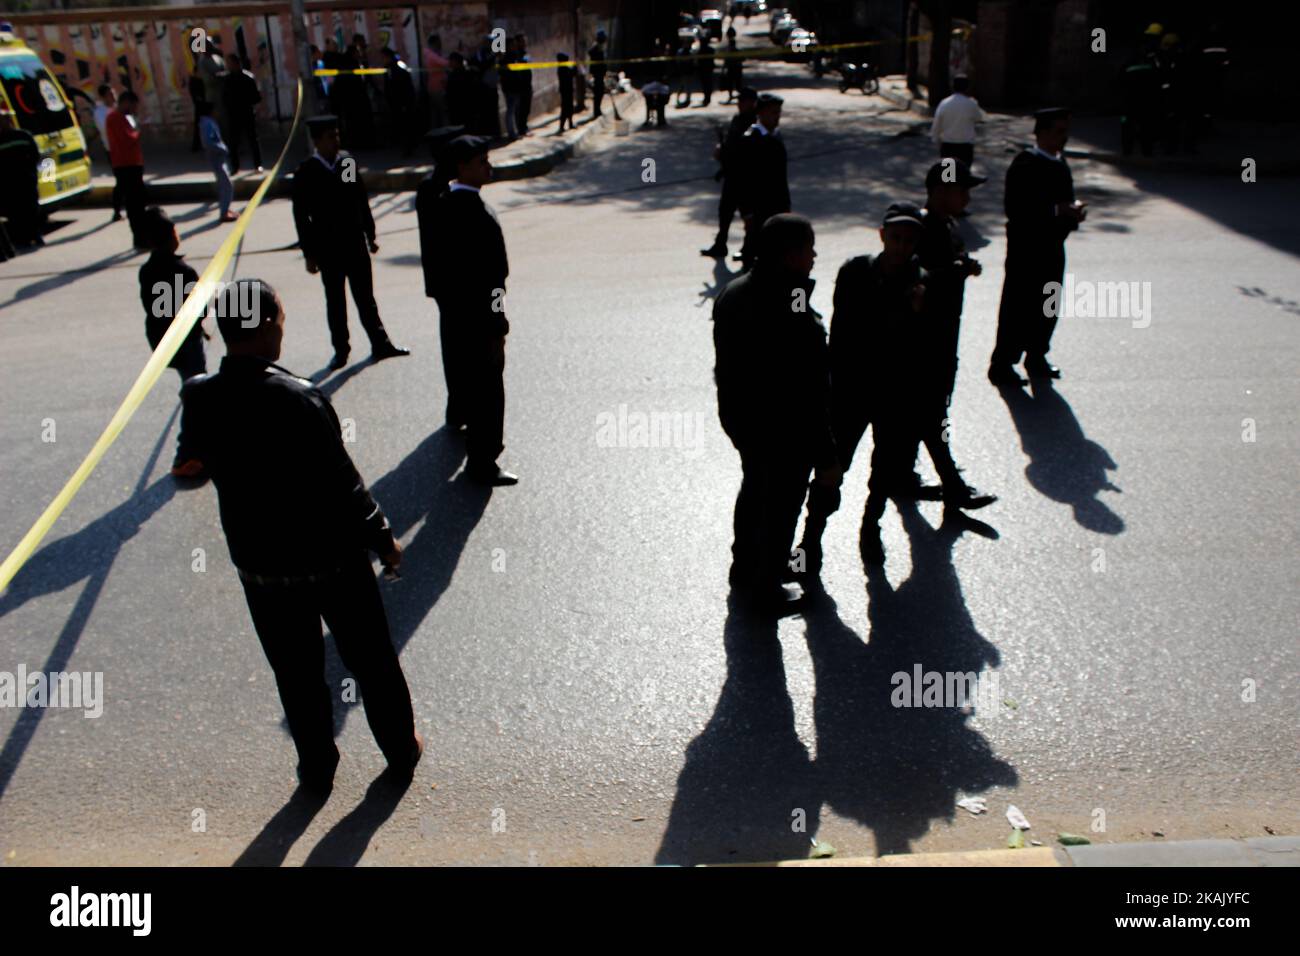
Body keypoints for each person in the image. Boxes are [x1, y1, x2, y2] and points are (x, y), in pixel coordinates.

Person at [180, 278, 422, 794]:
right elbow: (344, 483)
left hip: (261, 567)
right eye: (282, 321)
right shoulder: (300, 398)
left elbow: (193, 464)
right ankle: (400, 750)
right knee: (372, 662)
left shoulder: (199, 396)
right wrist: (383, 538)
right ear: (268, 325)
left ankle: (316, 767)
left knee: (295, 672)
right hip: (331, 561)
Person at [713, 214, 840, 613]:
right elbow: (808, 385)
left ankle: (745, 565)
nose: (815, 255)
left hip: (743, 419)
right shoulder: (790, 302)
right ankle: (766, 588)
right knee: (783, 504)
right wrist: (826, 451)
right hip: (785, 426)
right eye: (808, 247)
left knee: (754, 490)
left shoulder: (734, 292)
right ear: (789, 255)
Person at [797, 203, 930, 569]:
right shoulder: (855, 271)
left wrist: (919, 313)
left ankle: (871, 525)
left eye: (910, 240)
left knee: (884, 467)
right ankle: (811, 538)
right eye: (897, 238)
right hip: (851, 389)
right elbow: (848, 329)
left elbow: (926, 342)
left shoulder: (922, 281)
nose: (902, 246)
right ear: (883, 235)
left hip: (895, 393)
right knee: (832, 466)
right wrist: (905, 310)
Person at [416, 135, 518, 486]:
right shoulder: (474, 212)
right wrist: (498, 324)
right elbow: (492, 278)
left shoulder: (442, 205)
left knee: (472, 385)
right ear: (462, 167)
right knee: (488, 389)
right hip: (480, 319)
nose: (487, 167)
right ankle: (483, 459)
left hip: (458, 316)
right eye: (481, 161)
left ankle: (478, 451)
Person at [910, 160, 997, 509]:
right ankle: (953, 484)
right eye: (962, 190)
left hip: (946, 335)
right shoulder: (918, 228)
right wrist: (954, 272)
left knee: (926, 411)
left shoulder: (949, 225)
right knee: (932, 413)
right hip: (924, 340)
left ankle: (902, 474)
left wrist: (963, 269)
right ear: (941, 191)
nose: (966, 197)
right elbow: (915, 279)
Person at [291, 115, 410, 370]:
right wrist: (309, 254)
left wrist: (371, 233)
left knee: (366, 298)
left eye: (337, 135)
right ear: (318, 141)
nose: (336, 141)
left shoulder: (345, 163)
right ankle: (341, 350)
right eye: (331, 137)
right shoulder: (307, 172)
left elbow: (359, 199)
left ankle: (380, 343)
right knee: (336, 302)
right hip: (328, 249)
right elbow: (302, 217)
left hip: (354, 243)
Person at [988, 107, 1086, 386]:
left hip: (1053, 248)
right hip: (1026, 251)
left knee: (1048, 304)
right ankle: (1003, 364)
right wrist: (1058, 210)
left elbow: (1065, 201)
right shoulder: (1025, 164)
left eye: (1066, 132)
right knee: (1017, 308)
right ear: (1041, 132)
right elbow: (1018, 209)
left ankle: (1037, 355)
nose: (1064, 138)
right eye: (1059, 131)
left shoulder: (1060, 163)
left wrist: (1073, 212)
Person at [137, 205, 208, 477]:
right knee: (196, 393)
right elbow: (199, 306)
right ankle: (185, 456)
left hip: (163, 341)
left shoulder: (147, 270)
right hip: (186, 341)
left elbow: (151, 306)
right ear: (171, 237)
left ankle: (199, 449)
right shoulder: (183, 271)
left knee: (192, 387)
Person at [733, 92, 789, 269]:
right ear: (761, 113)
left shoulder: (775, 136)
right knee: (754, 254)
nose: (777, 117)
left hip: (777, 205)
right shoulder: (751, 140)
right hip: (758, 208)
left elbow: (781, 177)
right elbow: (742, 179)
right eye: (773, 113)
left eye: (778, 112)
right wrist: (746, 212)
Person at [701, 86, 756, 258]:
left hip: (746, 177)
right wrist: (721, 150)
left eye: (743, 101)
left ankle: (749, 248)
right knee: (725, 212)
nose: (739, 104)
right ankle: (720, 244)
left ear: (752, 103)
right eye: (739, 100)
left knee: (748, 215)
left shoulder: (754, 124)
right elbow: (731, 144)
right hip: (731, 174)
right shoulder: (738, 119)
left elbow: (744, 150)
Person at [106, 89, 147, 249]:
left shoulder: (122, 118)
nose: (135, 110)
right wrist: (138, 131)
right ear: (126, 103)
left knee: (139, 202)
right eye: (134, 106)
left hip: (132, 163)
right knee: (134, 204)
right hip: (125, 165)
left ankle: (142, 235)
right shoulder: (115, 118)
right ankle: (139, 238)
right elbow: (127, 139)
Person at [0, 109, 43, 248]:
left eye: (5, 120)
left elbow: (36, 154)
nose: (4, 123)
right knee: (15, 212)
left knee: (32, 209)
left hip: (27, 180)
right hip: (9, 183)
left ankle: (36, 235)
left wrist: (30, 170)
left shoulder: (24, 136)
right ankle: (22, 238)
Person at [929, 74, 983, 168]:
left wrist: (936, 139)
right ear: (967, 88)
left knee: (949, 179)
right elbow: (979, 118)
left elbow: (937, 124)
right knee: (964, 177)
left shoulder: (944, 103)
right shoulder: (971, 104)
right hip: (965, 147)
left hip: (948, 146)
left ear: (953, 86)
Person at [197, 101, 237, 223]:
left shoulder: (207, 122)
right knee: (226, 186)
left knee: (224, 184)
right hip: (217, 157)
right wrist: (223, 148)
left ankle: (226, 209)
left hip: (218, 157)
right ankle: (224, 213)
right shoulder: (207, 124)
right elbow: (209, 142)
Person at [223, 53, 263, 174]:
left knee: (253, 140)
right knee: (233, 142)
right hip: (233, 114)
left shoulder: (248, 78)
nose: (228, 66)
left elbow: (256, 97)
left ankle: (258, 165)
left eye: (230, 63)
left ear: (236, 63)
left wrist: (246, 101)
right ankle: (235, 167)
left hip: (247, 113)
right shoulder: (227, 80)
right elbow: (224, 97)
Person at [92, 85, 124, 221]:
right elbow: (106, 129)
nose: (114, 96)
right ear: (104, 96)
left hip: (125, 148)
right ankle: (116, 210)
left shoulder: (117, 108)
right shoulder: (100, 112)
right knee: (121, 179)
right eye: (110, 94)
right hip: (113, 149)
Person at [381, 46, 417, 154]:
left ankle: (408, 147)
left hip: (402, 102)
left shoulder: (397, 70)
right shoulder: (389, 69)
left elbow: (403, 87)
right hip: (397, 102)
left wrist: (405, 103)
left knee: (405, 125)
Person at [423, 34, 449, 127]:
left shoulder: (428, 54)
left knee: (435, 112)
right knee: (441, 111)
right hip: (437, 86)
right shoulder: (431, 55)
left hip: (433, 86)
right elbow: (445, 63)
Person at [446, 52, 474, 127]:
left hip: (458, 108)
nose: (449, 63)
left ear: (455, 62)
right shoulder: (467, 73)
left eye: (451, 61)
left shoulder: (455, 75)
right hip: (464, 108)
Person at [514, 33, 533, 136]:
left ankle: (524, 127)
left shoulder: (525, 53)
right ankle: (520, 129)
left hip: (527, 84)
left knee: (526, 107)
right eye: (522, 41)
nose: (525, 43)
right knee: (520, 108)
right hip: (521, 85)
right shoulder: (516, 55)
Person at [589, 30, 608, 119]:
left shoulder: (600, 47)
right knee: (598, 92)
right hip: (597, 74)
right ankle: (596, 111)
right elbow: (591, 53)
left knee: (600, 92)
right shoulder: (596, 47)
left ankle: (598, 110)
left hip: (600, 73)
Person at [722, 28, 743, 103]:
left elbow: (726, 60)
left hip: (733, 68)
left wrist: (723, 68)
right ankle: (735, 94)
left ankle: (737, 95)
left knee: (734, 83)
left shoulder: (729, 50)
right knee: (734, 83)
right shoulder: (736, 50)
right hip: (735, 68)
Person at [556, 53, 576, 132]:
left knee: (570, 108)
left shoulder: (564, 67)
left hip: (568, 90)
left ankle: (570, 123)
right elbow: (571, 74)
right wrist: (575, 67)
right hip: (565, 91)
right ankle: (562, 126)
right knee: (565, 109)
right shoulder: (562, 68)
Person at [696, 36, 715, 106]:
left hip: (705, 70)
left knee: (706, 84)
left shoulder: (702, 51)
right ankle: (707, 98)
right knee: (707, 84)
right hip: (705, 70)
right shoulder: (710, 50)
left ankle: (707, 98)